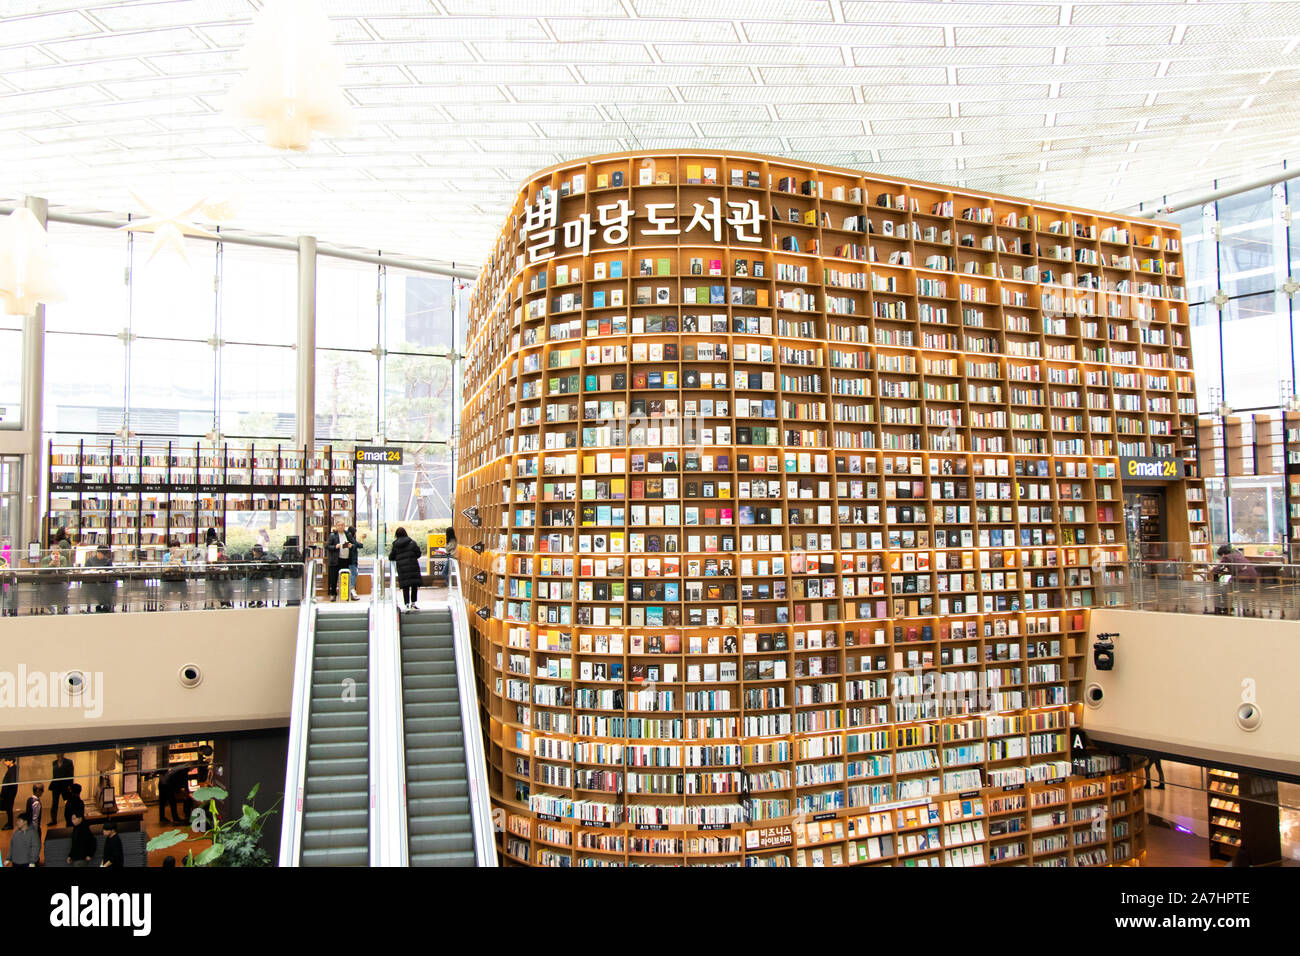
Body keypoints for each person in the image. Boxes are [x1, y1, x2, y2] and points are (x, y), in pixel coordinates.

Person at [1211, 544, 1260, 616]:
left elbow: (1217, 569)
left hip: (1241, 582)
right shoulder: (1239, 555)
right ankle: (1228, 608)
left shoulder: (1226, 557)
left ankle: (1227, 608)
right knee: (1227, 587)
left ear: (1223, 554)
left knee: (1222, 589)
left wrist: (1212, 569)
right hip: (1252, 583)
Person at [388, 526, 423, 611]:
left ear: (397, 535)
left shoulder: (395, 545)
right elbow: (418, 553)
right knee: (414, 585)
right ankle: (413, 603)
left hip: (402, 569)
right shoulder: (412, 542)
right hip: (413, 566)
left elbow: (391, 557)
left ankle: (407, 604)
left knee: (405, 587)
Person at [83, 545, 115, 613]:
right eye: (99, 553)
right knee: (95, 588)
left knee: (108, 587)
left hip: (105, 582)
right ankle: (100, 604)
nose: (101, 555)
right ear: (97, 552)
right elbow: (85, 570)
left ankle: (106, 605)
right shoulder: (90, 561)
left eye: (103, 554)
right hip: (93, 583)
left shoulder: (108, 561)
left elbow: (111, 571)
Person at [325, 518, 350, 601]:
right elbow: (327, 546)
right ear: (336, 526)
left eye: (342, 525)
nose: (341, 527)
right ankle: (333, 594)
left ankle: (344, 594)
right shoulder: (333, 535)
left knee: (345, 576)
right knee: (333, 578)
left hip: (345, 558)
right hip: (335, 559)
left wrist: (350, 545)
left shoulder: (347, 534)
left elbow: (352, 543)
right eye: (339, 525)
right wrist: (335, 546)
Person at [50, 753, 73, 821]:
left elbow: (71, 774)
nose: (58, 755)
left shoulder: (69, 762)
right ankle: (53, 819)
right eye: (57, 754)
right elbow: (54, 775)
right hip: (56, 786)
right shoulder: (54, 763)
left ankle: (68, 817)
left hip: (65, 786)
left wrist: (70, 786)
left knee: (67, 802)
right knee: (54, 803)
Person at [345, 524, 366, 600]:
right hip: (351, 560)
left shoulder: (349, 538)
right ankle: (352, 589)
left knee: (351, 574)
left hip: (348, 559)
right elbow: (360, 545)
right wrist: (362, 539)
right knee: (354, 574)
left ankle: (349, 591)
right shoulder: (350, 538)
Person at [0, 756, 16, 828]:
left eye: (6, 760)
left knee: (9, 808)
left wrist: (3, 794)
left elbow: (10, 783)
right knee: (8, 808)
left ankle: (10, 824)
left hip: (9, 793)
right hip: (9, 792)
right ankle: (9, 823)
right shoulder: (12, 769)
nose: (5, 762)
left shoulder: (12, 770)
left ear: (11, 761)